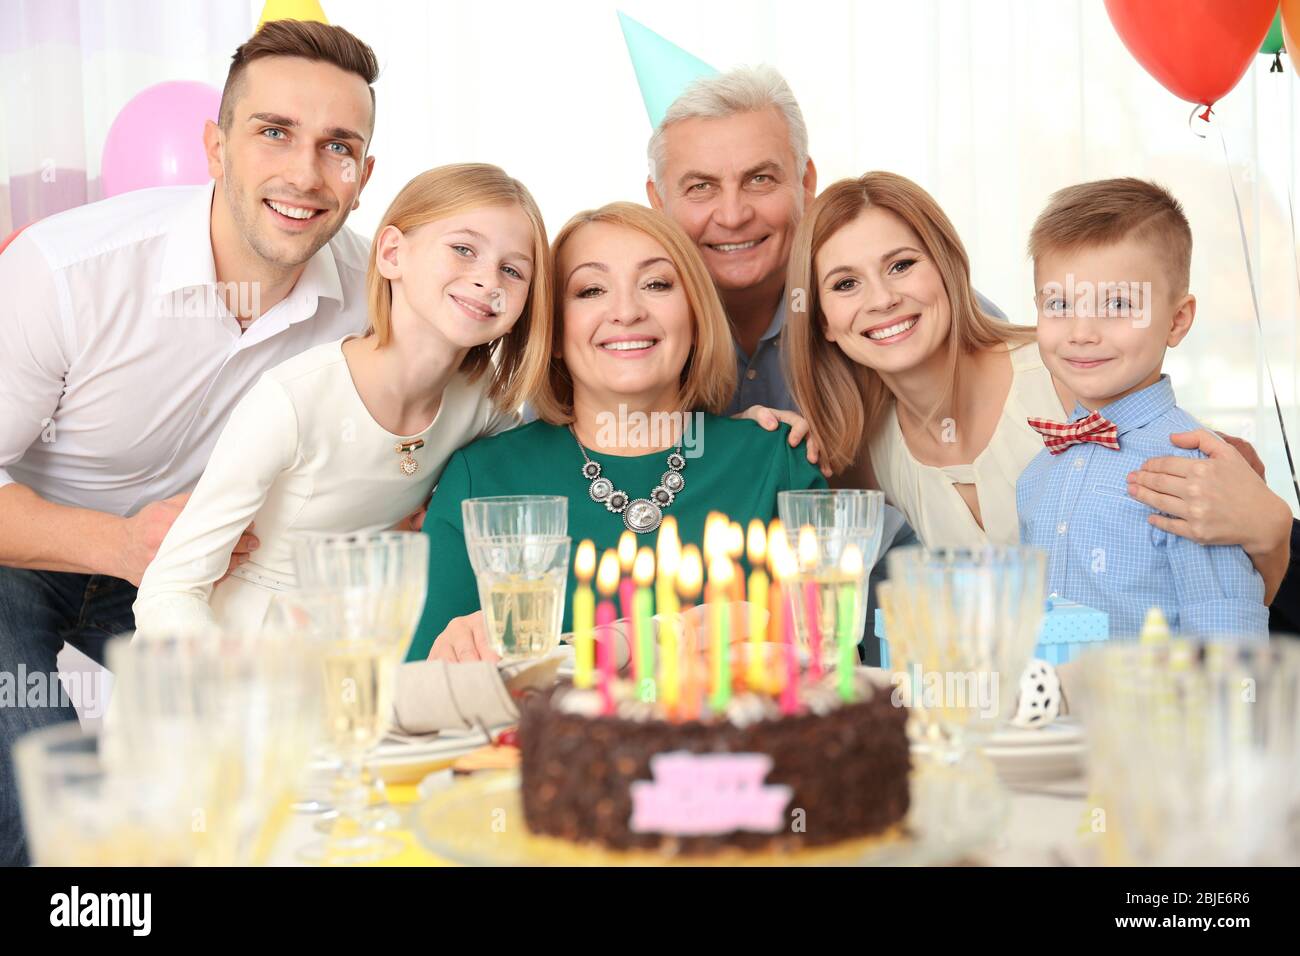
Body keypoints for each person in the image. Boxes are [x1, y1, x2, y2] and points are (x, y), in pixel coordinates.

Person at [0, 20, 381, 866]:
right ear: (215, 146)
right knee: (45, 816)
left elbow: (498, 392)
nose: (304, 173)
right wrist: (115, 543)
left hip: (200, 568)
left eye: (338, 147)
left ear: (364, 176)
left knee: (257, 782)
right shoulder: (66, 273)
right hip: (23, 551)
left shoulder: (376, 295)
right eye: (273, 132)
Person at [783, 171, 1291, 604]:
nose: (882, 299)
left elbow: (1227, 584)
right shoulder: (867, 452)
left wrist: (1271, 532)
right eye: (845, 284)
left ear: (949, 269)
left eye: (901, 265)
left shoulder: (1069, 370)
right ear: (823, 320)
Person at [133, 164, 549, 636]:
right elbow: (170, 588)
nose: (487, 280)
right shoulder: (294, 400)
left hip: (365, 651)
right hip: (242, 651)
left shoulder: (486, 410)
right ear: (392, 253)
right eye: (463, 249)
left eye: (512, 270)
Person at [409, 202, 825, 662]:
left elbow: (834, 663)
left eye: (656, 284)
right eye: (590, 290)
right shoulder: (479, 479)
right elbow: (421, 690)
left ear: (695, 316)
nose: (626, 312)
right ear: (554, 327)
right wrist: (458, 654)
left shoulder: (777, 460)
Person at [1017, 178, 1267, 638]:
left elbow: (1225, 628)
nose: (1082, 331)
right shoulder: (1036, 473)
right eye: (1059, 303)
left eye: (1117, 303)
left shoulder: (1191, 472)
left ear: (1177, 320)